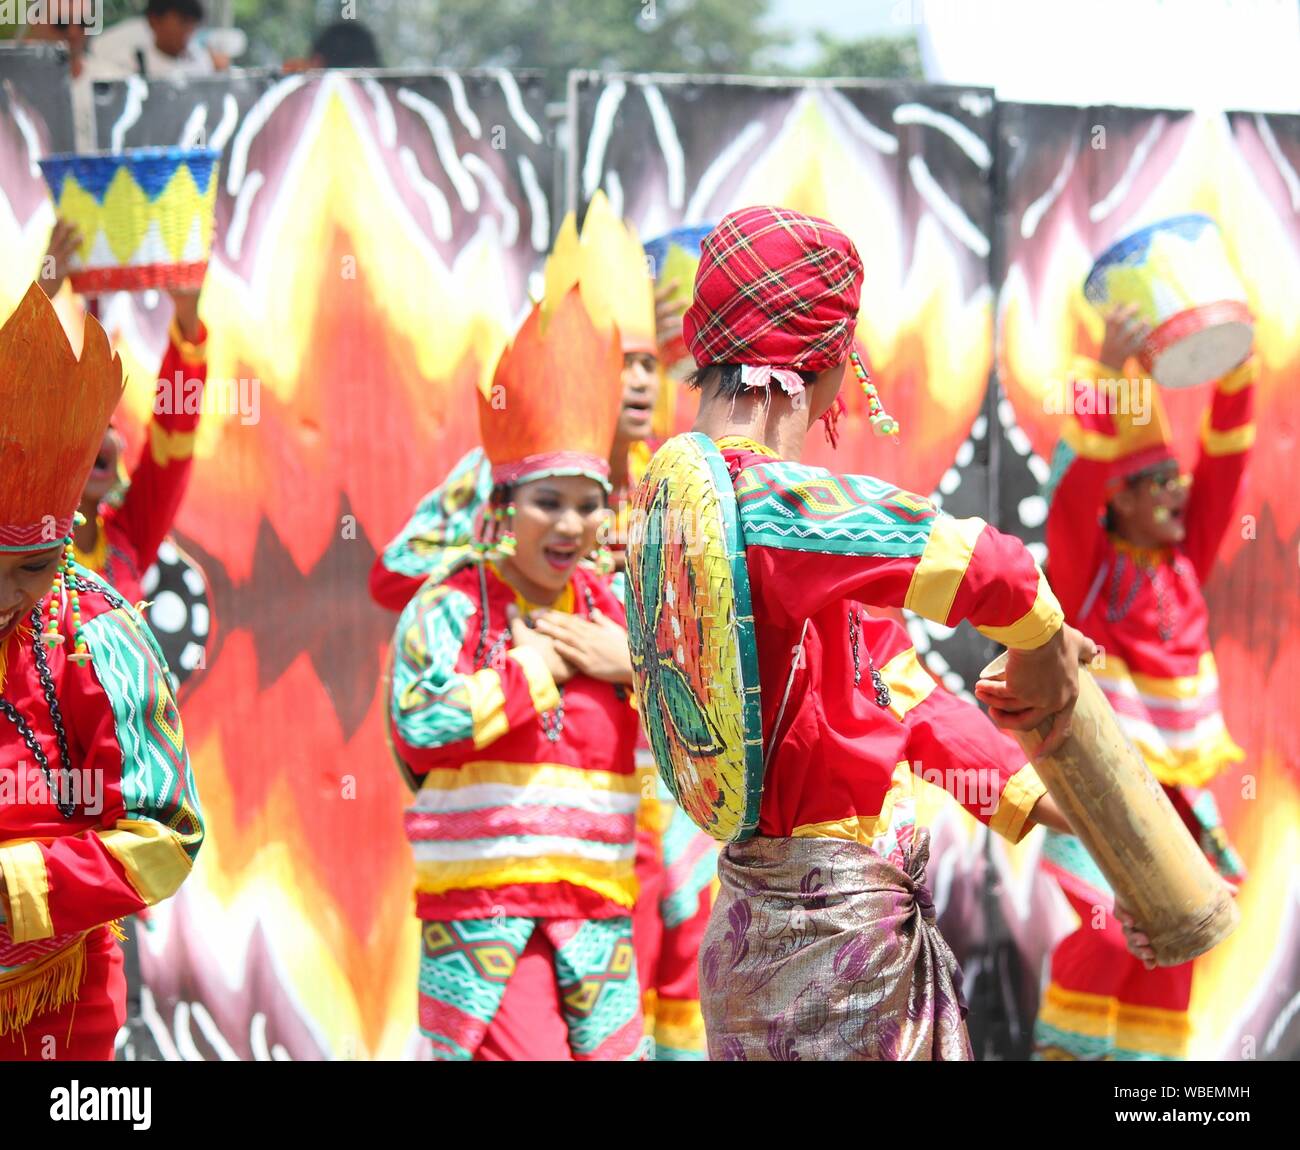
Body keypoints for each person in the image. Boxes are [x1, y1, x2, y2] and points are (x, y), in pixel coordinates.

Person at [668, 205, 1105, 1061]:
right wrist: (1045, 642)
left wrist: (1025, 799)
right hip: (838, 950)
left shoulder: (676, 515)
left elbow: (894, 689)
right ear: (826, 366)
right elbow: (995, 567)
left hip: (755, 932)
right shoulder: (774, 509)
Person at [386, 285, 645, 1061]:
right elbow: (420, 726)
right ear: (502, 506)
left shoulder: (617, 610)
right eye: (548, 503)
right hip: (486, 915)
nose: (571, 525)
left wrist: (629, 662)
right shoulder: (451, 606)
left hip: (598, 917)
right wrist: (533, 670)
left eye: (587, 505)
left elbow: (705, 727)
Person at [1032, 304, 1253, 1060]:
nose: (1178, 491)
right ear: (1118, 498)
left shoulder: (1187, 559)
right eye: (1156, 481)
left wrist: (1236, 368)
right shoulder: (1089, 575)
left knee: (1172, 958)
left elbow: (1223, 465)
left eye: (1175, 477)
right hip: (1107, 796)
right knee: (1108, 939)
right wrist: (1103, 373)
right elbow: (1068, 501)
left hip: (1180, 799)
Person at [0, 284, 204, 1060]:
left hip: (60, 968)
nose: (102, 480)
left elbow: (167, 831)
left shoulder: (104, 604)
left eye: (30, 568)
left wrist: (189, 332)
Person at [40, 224, 209, 610]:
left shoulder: (129, 535)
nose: (102, 437)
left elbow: (174, 445)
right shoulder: (23, 550)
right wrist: (42, 292)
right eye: (82, 426)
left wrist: (187, 320)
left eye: (109, 427)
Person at [90, 0, 224, 80]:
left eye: (193, 24)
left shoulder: (201, 60)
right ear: (154, 20)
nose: (188, 31)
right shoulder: (129, 64)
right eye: (183, 22)